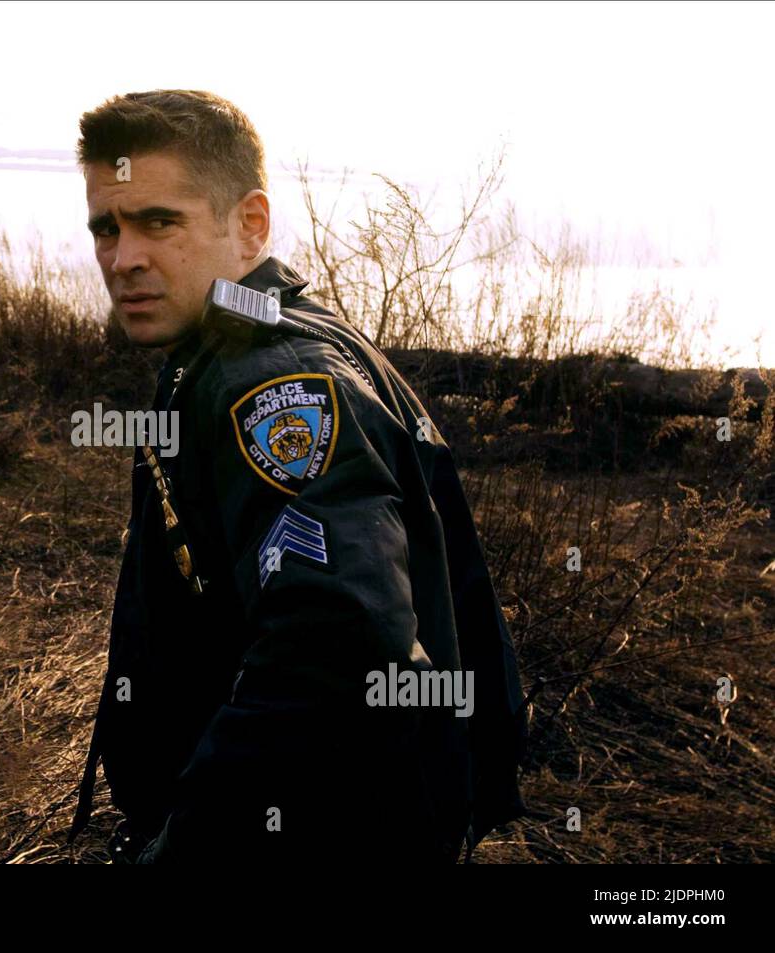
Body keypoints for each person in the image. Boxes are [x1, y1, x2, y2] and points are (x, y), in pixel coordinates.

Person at [64, 90, 528, 864]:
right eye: (106, 228)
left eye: (158, 221)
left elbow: (340, 646)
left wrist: (188, 841)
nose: (124, 257)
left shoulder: (273, 378)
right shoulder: (228, 345)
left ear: (249, 225)